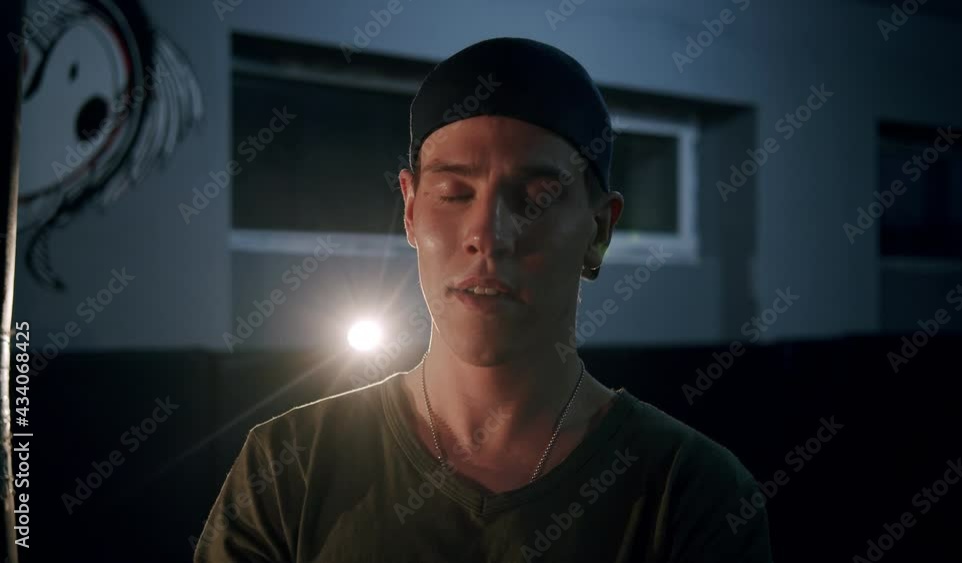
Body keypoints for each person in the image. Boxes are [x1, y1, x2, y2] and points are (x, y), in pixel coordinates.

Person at [194, 37, 773, 562]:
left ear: (599, 229)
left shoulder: (688, 491)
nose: (488, 233)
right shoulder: (290, 465)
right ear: (412, 210)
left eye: (537, 198)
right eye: (453, 192)